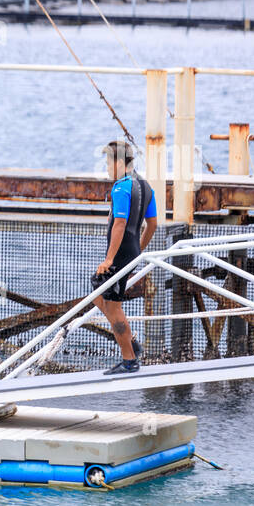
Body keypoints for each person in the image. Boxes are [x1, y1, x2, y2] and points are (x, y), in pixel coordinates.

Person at [94, 139, 158, 376]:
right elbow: (152, 224)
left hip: (120, 251)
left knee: (112, 304)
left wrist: (110, 259)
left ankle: (129, 359)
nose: (107, 169)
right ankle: (131, 343)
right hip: (130, 249)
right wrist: (138, 251)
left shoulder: (121, 187)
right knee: (98, 296)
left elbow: (119, 224)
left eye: (109, 163)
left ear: (120, 162)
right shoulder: (146, 186)